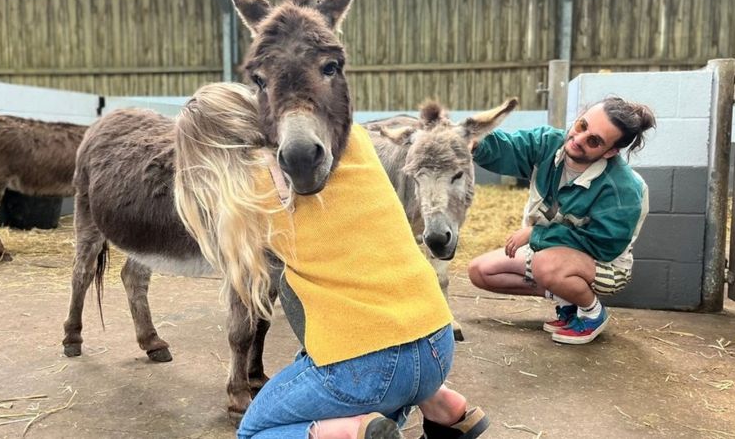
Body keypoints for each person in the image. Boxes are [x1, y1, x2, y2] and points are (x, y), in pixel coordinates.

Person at [235, 123, 491, 438]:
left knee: (253, 430)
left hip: (367, 367)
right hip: (437, 343)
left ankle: (348, 431)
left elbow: (245, 264)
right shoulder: (354, 136)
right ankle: (438, 402)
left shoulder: (248, 176)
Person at [467, 96, 656, 345]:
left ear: (610, 151)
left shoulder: (623, 188)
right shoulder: (548, 144)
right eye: (581, 126)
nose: (578, 140)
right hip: (551, 253)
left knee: (545, 264)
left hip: (605, 266)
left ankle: (592, 313)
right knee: (480, 271)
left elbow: (604, 245)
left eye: (593, 141)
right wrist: (474, 142)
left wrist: (536, 235)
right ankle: (567, 299)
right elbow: (509, 148)